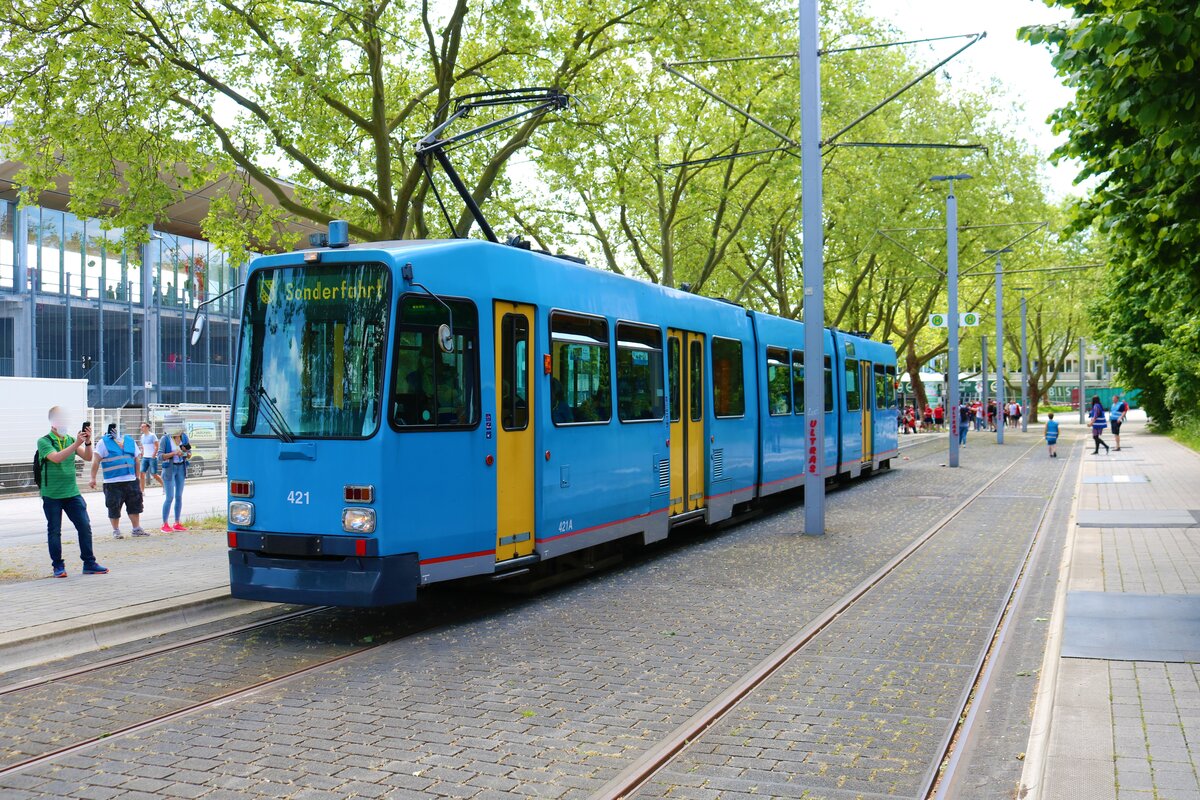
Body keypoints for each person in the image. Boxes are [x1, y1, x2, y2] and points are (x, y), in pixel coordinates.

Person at [36, 407, 108, 578]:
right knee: (54, 530)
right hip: (52, 494)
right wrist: (77, 443)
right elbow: (56, 458)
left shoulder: (69, 439)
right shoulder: (44, 441)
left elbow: (88, 457)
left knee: (84, 526)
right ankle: (58, 566)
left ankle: (89, 563)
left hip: (72, 493)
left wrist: (88, 442)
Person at [90, 423, 148, 539]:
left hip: (131, 480)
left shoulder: (129, 441)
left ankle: (136, 528)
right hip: (112, 481)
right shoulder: (103, 442)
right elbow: (96, 460)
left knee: (135, 505)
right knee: (114, 506)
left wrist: (137, 478)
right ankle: (116, 530)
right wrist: (93, 478)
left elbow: (136, 460)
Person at [158, 425, 191, 532]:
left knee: (179, 496)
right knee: (169, 497)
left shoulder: (184, 437)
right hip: (169, 469)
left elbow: (189, 454)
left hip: (181, 467)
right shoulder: (165, 438)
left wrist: (184, 453)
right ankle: (164, 524)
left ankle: (177, 522)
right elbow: (159, 456)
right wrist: (173, 453)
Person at [139, 422, 163, 491]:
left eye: (143, 427)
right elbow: (143, 446)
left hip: (152, 458)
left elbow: (157, 446)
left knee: (154, 474)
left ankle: (164, 486)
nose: (142, 428)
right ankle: (142, 491)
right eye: (141, 427)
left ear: (147, 427)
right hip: (145, 457)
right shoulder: (142, 436)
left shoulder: (152, 436)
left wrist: (153, 455)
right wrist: (142, 453)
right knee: (142, 473)